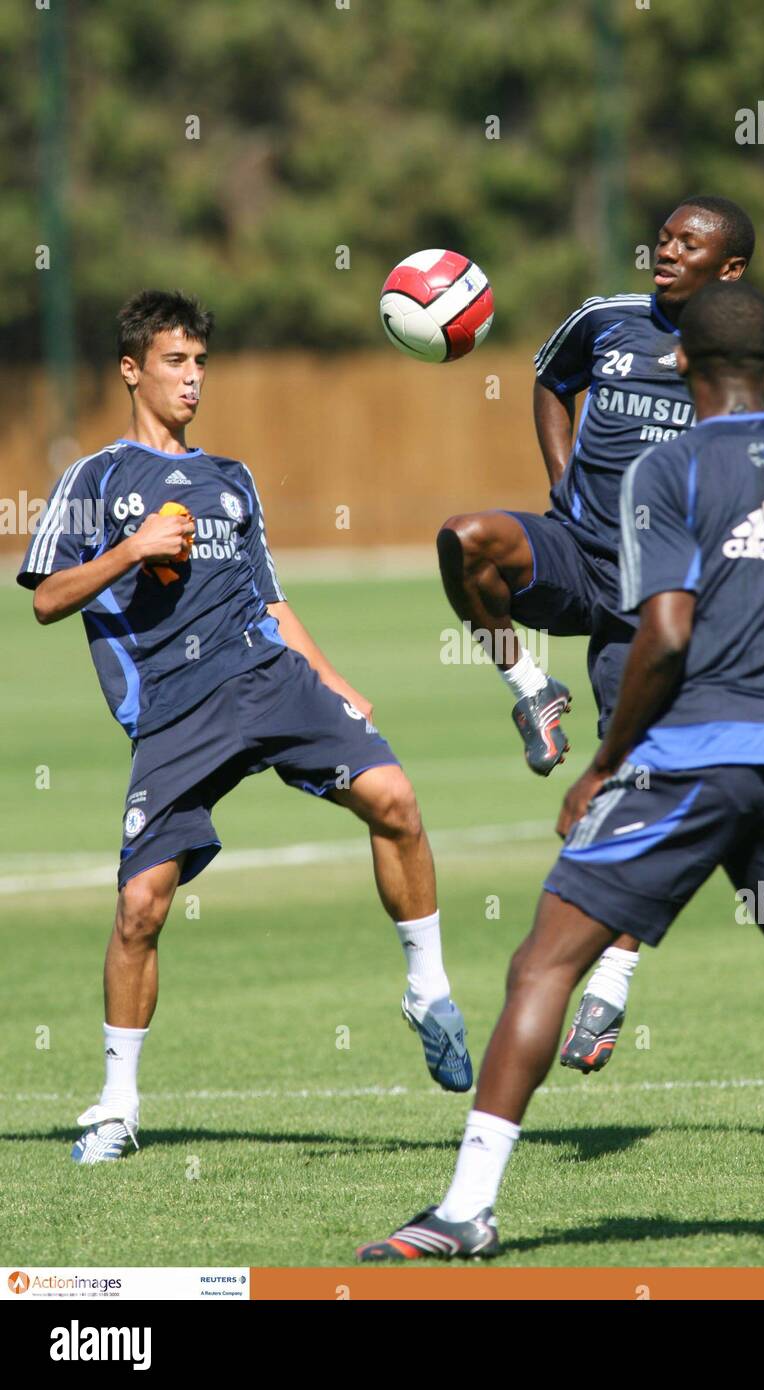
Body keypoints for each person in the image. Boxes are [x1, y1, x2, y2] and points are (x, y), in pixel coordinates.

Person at [357, 281, 764, 1259]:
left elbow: (665, 632)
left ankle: (466, 1208)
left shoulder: (668, 471)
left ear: (681, 368)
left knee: (540, 962)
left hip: (687, 762)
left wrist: (604, 762)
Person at [18, 289, 472, 1164]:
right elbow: (45, 599)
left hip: (270, 680)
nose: (192, 380)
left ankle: (428, 988)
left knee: (397, 801)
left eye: (200, 364)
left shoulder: (232, 479)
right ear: (131, 370)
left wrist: (338, 683)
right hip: (175, 711)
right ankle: (116, 1106)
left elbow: (271, 601)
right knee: (140, 910)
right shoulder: (98, 477)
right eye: (174, 363)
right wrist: (132, 551)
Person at [437, 196, 764, 1073]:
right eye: (662, 237)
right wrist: (563, 473)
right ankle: (530, 690)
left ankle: (610, 989)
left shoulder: (763, 361)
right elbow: (549, 379)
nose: (665, 250)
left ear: (728, 270)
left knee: (631, 800)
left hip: (657, 603)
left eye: (688, 244)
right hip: (576, 550)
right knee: (467, 540)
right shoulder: (603, 320)